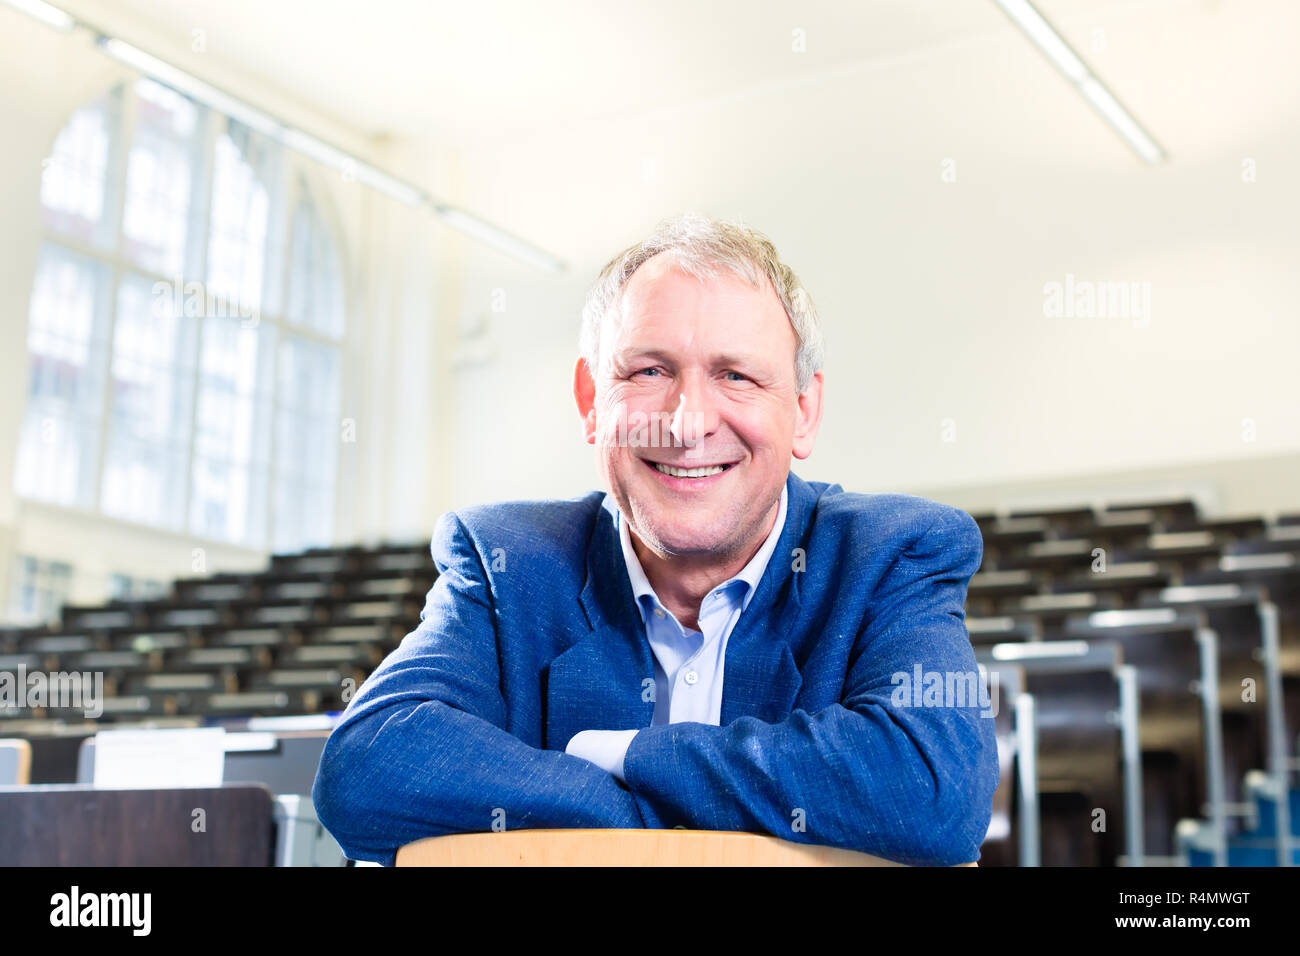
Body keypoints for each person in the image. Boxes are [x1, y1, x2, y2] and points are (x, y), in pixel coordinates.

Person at [313, 213, 998, 866]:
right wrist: (638, 822)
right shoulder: (504, 564)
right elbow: (368, 764)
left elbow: (934, 788)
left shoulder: (893, 555)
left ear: (803, 411)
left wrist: (629, 756)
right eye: (649, 371)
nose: (686, 421)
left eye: (736, 374)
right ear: (591, 400)